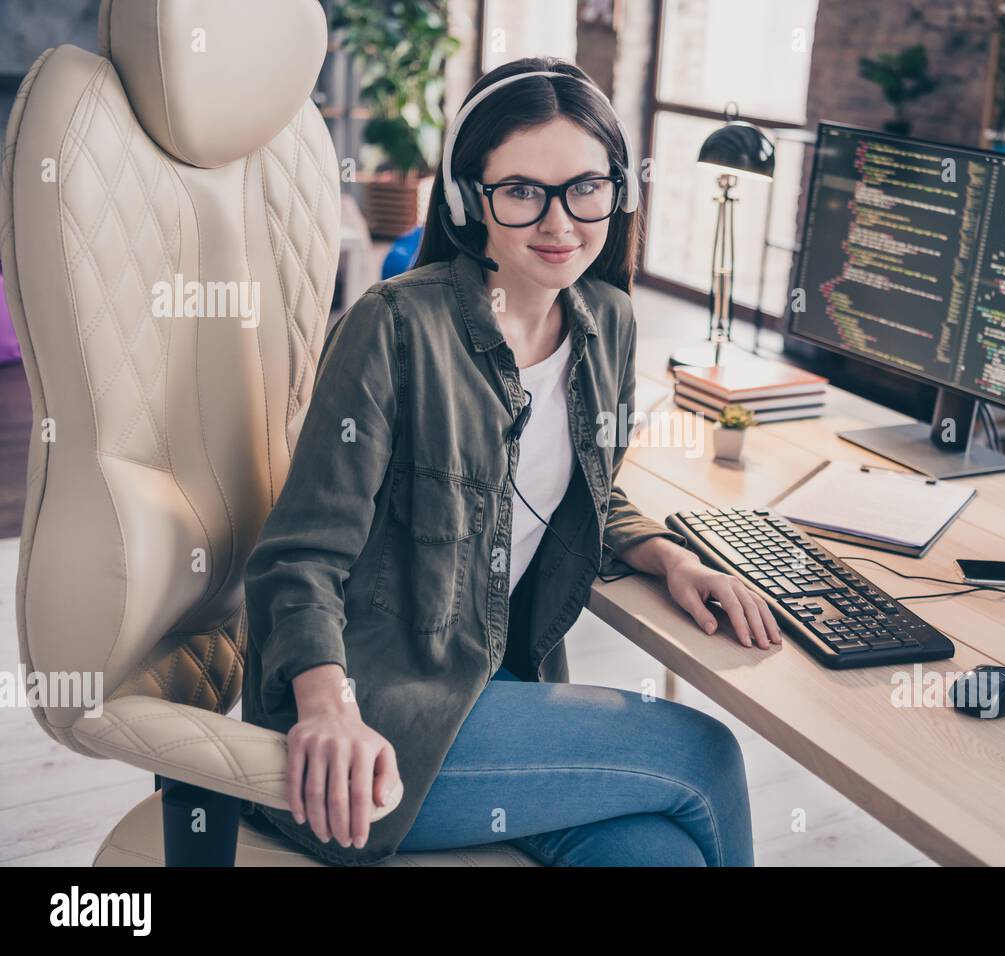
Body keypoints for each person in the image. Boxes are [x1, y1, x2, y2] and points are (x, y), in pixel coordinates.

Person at [240, 56, 782, 867]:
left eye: (585, 188)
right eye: (523, 191)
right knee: (702, 757)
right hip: (376, 723)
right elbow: (298, 559)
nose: (560, 223)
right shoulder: (394, 328)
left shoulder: (610, 325)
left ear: (618, 192)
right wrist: (326, 707)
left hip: (504, 698)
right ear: (468, 201)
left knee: (653, 852)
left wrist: (668, 556)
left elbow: (556, 488)